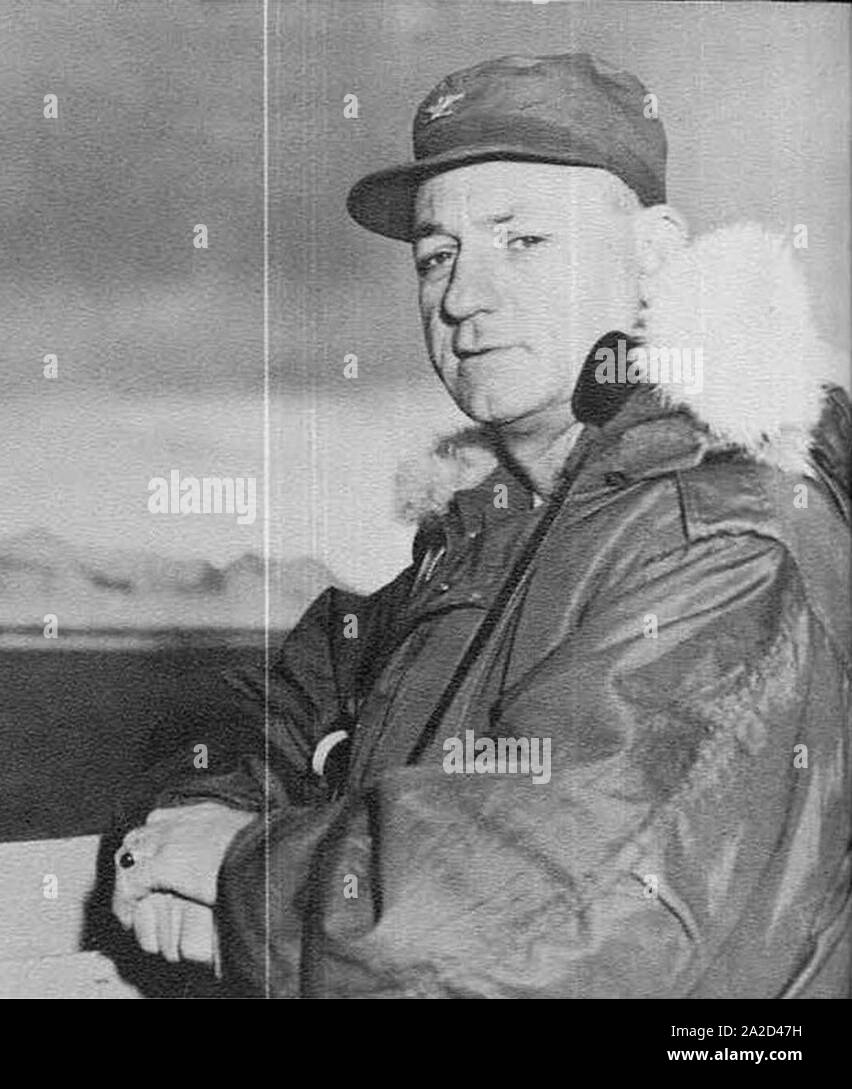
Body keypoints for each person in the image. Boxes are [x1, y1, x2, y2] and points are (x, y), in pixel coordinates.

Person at [112, 52, 851, 998]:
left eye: (523, 240)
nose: (462, 297)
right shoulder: (487, 532)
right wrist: (203, 801)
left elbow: (537, 929)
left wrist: (233, 868)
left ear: (656, 255)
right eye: (437, 255)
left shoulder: (729, 540)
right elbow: (270, 699)